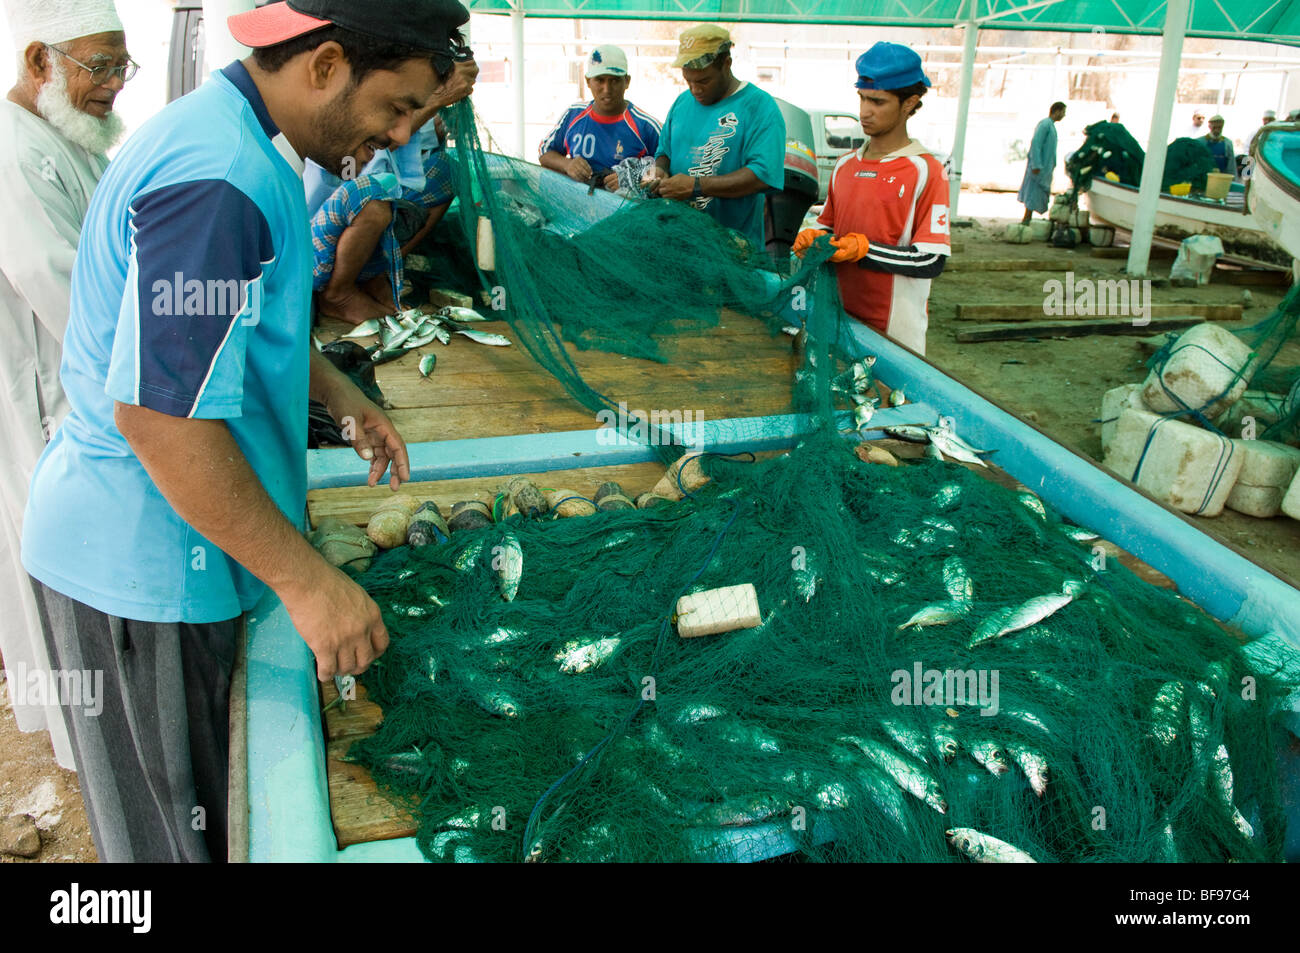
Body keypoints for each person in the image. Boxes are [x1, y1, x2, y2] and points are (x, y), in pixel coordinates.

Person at [22, 0, 468, 863]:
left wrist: (340, 391)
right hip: (141, 568)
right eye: (399, 105)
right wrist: (308, 582)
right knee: (175, 840)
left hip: (180, 547)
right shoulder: (219, 179)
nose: (402, 134)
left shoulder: (253, 141)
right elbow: (158, 416)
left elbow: (240, 317)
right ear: (328, 65)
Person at [0, 0, 132, 771]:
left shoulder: (73, 137)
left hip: (79, 387)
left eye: (121, 65)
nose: (114, 84)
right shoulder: (13, 153)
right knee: (47, 562)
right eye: (99, 67)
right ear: (39, 63)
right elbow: (57, 286)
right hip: (45, 391)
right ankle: (83, 746)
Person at [791, 42, 949, 356]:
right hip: (838, 319)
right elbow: (829, 228)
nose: (865, 111)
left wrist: (864, 250)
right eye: (862, 98)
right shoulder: (845, 165)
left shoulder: (926, 170)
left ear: (909, 103)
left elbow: (931, 260)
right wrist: (815, 238)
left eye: (878, 102)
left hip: (894, 334)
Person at [306, 57, 477, 323]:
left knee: (445, 172)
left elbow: (414, 138)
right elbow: (370, 155)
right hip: (313, 248)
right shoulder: (341, 101)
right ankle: (338, 294)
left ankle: (376, 273)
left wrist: (443, 109)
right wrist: (438, 99)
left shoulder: (390, 105)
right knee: (372, 195)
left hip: (362, 221)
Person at [646, 24, 785, 250]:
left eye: (703, 81)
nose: (694, 90)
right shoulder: (681, 103)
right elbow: (664, 153)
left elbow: (763, 175)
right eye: (688, 81)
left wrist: (697, 186)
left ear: (726, 64)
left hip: (735, 252)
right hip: (680, 243)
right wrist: (658, 171)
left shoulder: (759, 107)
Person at [538, 45, 661, 193]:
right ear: (588, 81)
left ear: (627, 81)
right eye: (600, 80)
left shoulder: (646, 126)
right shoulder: (574, 114)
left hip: (628, 212)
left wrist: (635, 178)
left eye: (614, 80)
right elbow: (545, 153)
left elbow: (665, 171)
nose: (607, 89)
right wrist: (567, 164)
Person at [1018, 101, 1065, 223]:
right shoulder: (1045, 125)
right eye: (1063, 112)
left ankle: (1028, 218)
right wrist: (1036, 164)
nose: (1064, 115)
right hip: (1039, 168)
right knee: (1032, 193)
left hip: (1045, 168)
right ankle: (1026, 219)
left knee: (1036, 194)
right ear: (1057, 111)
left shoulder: (1051, 126)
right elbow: (1036, 144)